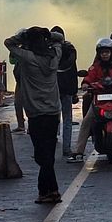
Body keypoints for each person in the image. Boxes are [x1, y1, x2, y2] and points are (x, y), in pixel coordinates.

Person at [5, 27, 64, 204]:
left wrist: (22, 35)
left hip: (36, 113)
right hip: (53, 111)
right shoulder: (55, 56)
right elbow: (59, 38)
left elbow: (8, 43)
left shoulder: (27, 57)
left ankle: (48, 191)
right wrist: (48, 35)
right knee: (48, 151)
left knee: (41, 154)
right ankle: (50, 191)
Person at [51, 27, 78, 157]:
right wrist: (74, 92)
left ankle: (52, 142)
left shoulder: (48, 51)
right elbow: (73, 72)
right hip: (66, 89)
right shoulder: (70, 50)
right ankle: (66, 148)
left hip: (53, 90)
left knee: (52, 117)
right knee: (67, 119)